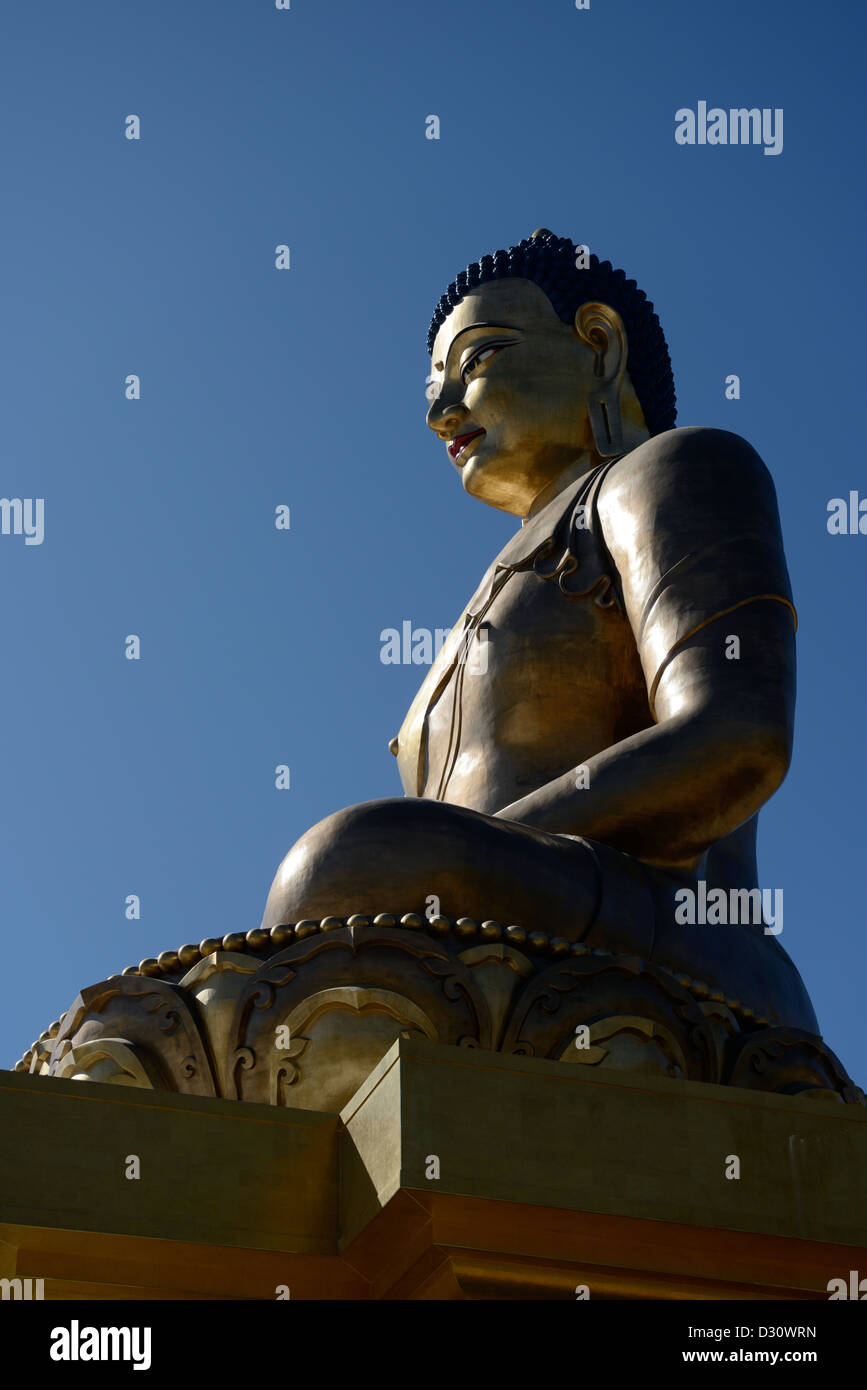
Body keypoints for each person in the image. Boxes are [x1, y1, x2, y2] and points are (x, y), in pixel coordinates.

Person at [260, 230, 817, 1032]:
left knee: (346, 861)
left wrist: (438, 862)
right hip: (483, 922)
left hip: (674, 931)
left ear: (597, 344)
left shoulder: (670, 472)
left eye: (477, 360)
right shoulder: (491, 590)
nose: (439, 411)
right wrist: (437, 871)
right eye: (433, 385)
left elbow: (738, 734)